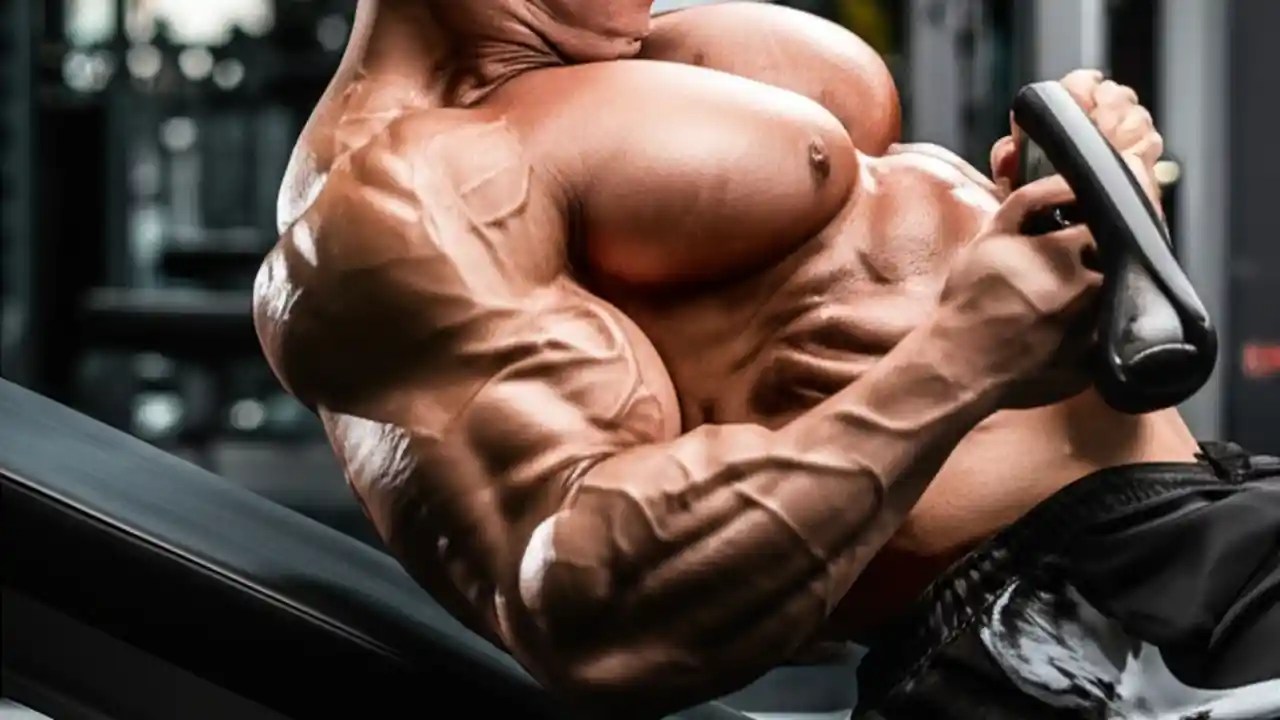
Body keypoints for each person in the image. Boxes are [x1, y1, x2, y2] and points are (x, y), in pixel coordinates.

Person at [253, 1, 1280, 718]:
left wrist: (1065, 217)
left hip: (1202, 518)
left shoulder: (654, 55)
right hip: (1068, 627)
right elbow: (583, 605)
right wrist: (962, 358)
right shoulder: (391, 203)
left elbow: (856, 310)